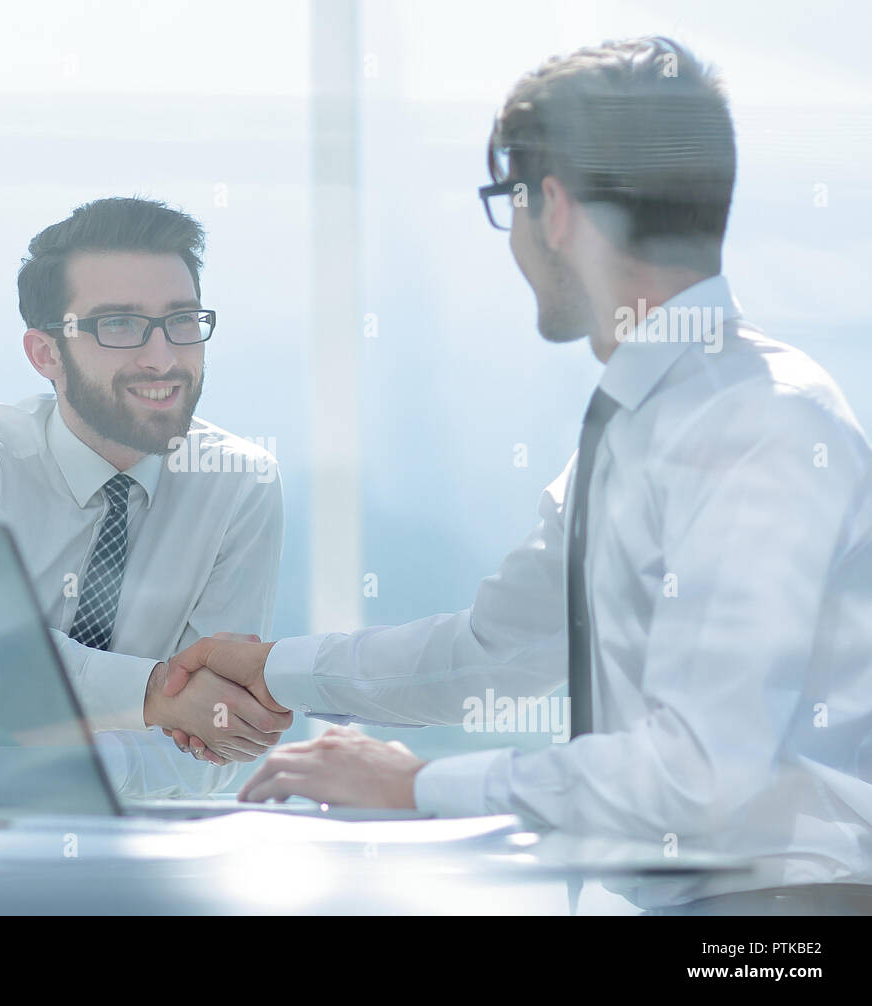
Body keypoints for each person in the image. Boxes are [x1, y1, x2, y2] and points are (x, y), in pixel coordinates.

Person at [163, 37, 872, 910]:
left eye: (512, 203)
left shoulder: (761, 422)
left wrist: (417, 789)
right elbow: (492, 655)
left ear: (556, 208)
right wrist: (275, 668)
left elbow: (702, 774)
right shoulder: (641, 425)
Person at [0, 196, 291, 797]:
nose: (163, 357)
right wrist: (161, 692)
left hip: (125, 858)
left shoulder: (238, 483)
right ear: (46, 353)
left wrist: (91, 763)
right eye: (119, 325)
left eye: (181, 321)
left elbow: (221, 733)